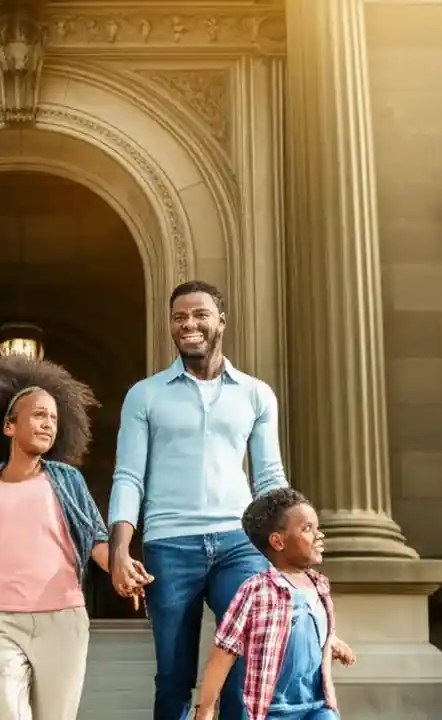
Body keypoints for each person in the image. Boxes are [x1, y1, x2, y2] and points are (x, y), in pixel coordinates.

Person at [108, 280, 337, 719]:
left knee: (249, 661)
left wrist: (285, 549)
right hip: (169, 546)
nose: (188, 324)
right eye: (179, 317)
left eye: (199, 314)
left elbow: (270, 477)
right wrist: (121, 549)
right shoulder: (146, 395)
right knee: (174, 674)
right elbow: (128, 476)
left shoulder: (255, 394)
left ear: (221, 322)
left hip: (239, 545)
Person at [0, 353, 111, 720]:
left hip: (62, 618)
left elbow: (95, 537)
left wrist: (123, 569)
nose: (48, 423)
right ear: (9, 427)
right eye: (38, 415)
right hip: (2, 619)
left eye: (53, 417)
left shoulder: (67, 480)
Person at [193, 488, 354, 720]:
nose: (320, 535)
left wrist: (334, 642)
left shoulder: (320, 586)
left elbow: (315, 628)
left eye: (317, 528)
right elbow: (224, 650)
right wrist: (205, 709)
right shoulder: (256, 590)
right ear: (278, 541)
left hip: (317, 706)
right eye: (307, 529)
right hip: (273, 711)